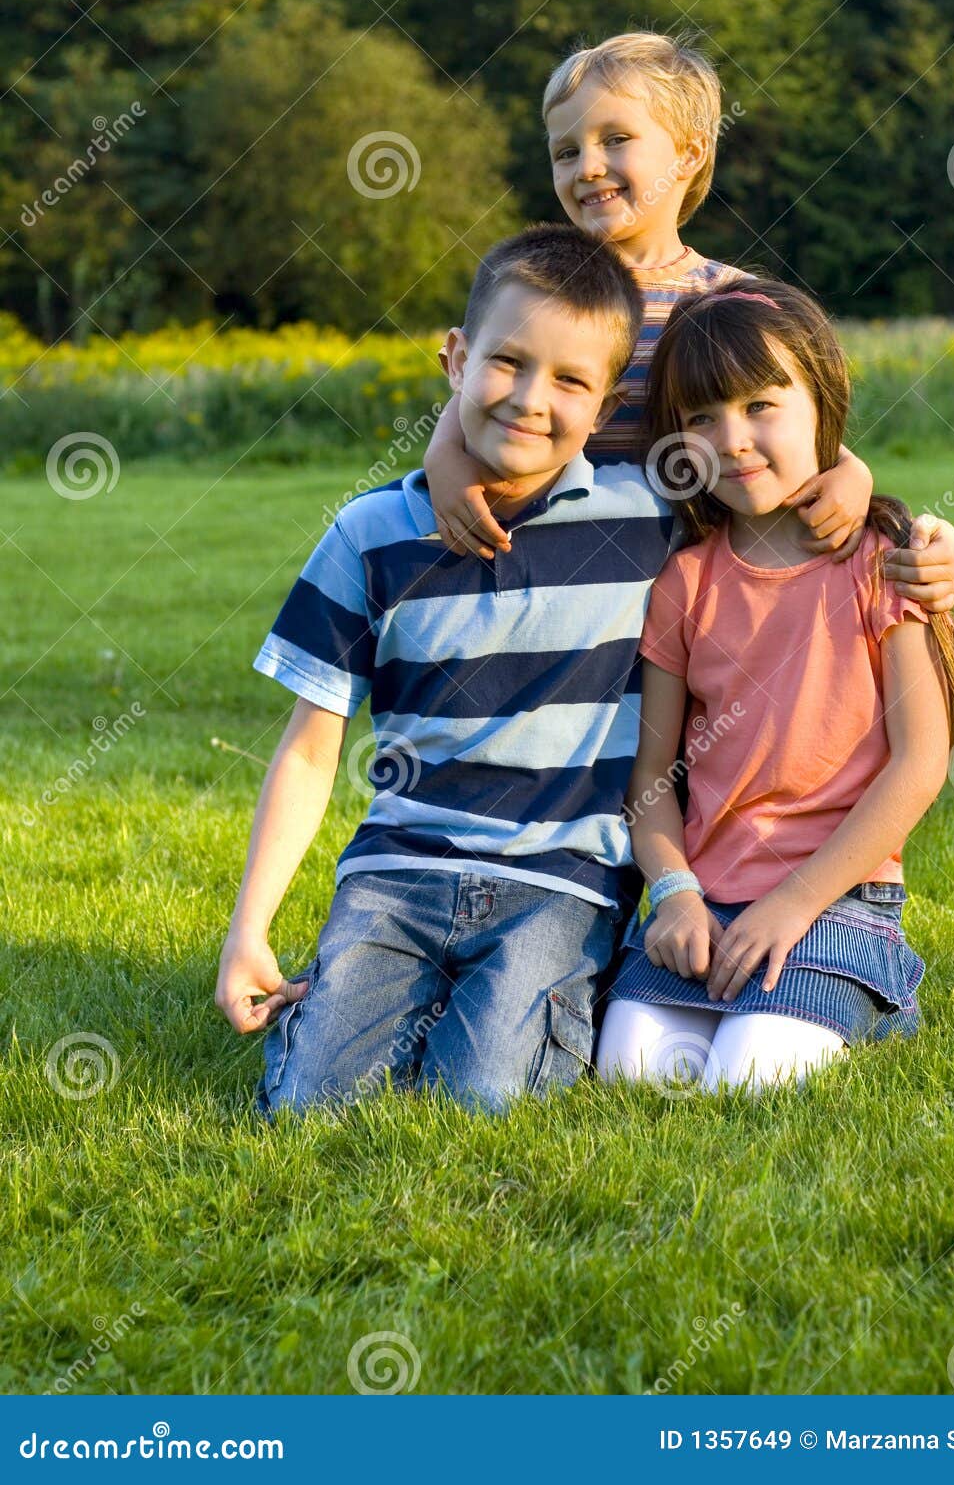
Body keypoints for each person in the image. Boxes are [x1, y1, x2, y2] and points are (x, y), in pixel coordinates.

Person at [215, 225, 679, 1115]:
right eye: (506, 362)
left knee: (485, 1099)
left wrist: (858, 488)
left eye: (570, 380)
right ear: (456, 360)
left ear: (605, 403)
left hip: (563, 882)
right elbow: (310, 751)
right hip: (396, 872)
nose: (531, 400)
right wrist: (248, 930)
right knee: (312, 1108)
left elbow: (779, 491)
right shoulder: (368, 535)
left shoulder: (648, 521)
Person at [423, 31, 954, 613]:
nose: (588, 167)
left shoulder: (729, 301)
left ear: (688, 154)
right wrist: (444, 458)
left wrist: (850, 473)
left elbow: (785, 421)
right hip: (566, 569)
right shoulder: (541, 292)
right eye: (566, 152)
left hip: (694, 579)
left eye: (615, 139)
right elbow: (488, 380)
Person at [597, 279, 954, 1094]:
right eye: (701, 418)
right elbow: (650, 781)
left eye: (760, 405)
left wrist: (793, 903)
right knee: (630, 1071)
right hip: (708, 900)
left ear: (821, 402)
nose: (732, 440)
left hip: (837, 895)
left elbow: (919, 762)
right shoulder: (684, 583)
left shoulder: (881, 561)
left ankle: (870, 995)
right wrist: (674, 896)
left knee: (749, 1075)